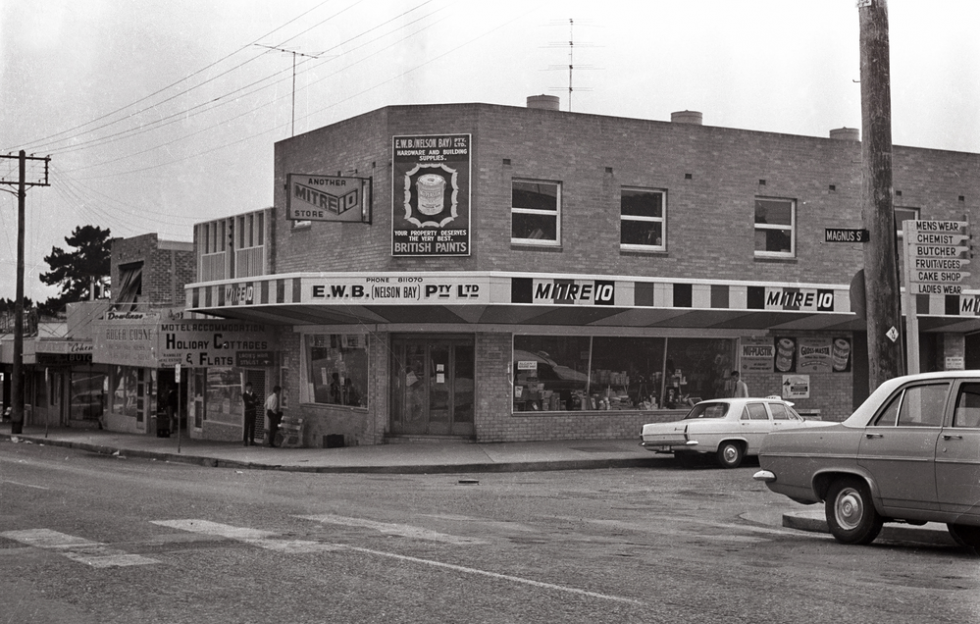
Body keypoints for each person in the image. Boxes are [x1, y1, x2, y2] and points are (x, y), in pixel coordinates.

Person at [241, 382, 260, 446]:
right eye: (248, 386)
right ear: (246, 387)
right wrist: (254, 402)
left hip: (253, 411)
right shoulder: (244, 395)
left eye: (250, 386)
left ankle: (252, 441)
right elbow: (247, 403)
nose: (250, 388)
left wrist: (254, 402)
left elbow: (258, 403)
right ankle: (245, 441)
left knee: (252, 426)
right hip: (248, 411)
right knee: (246, 426)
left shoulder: (254, 394)